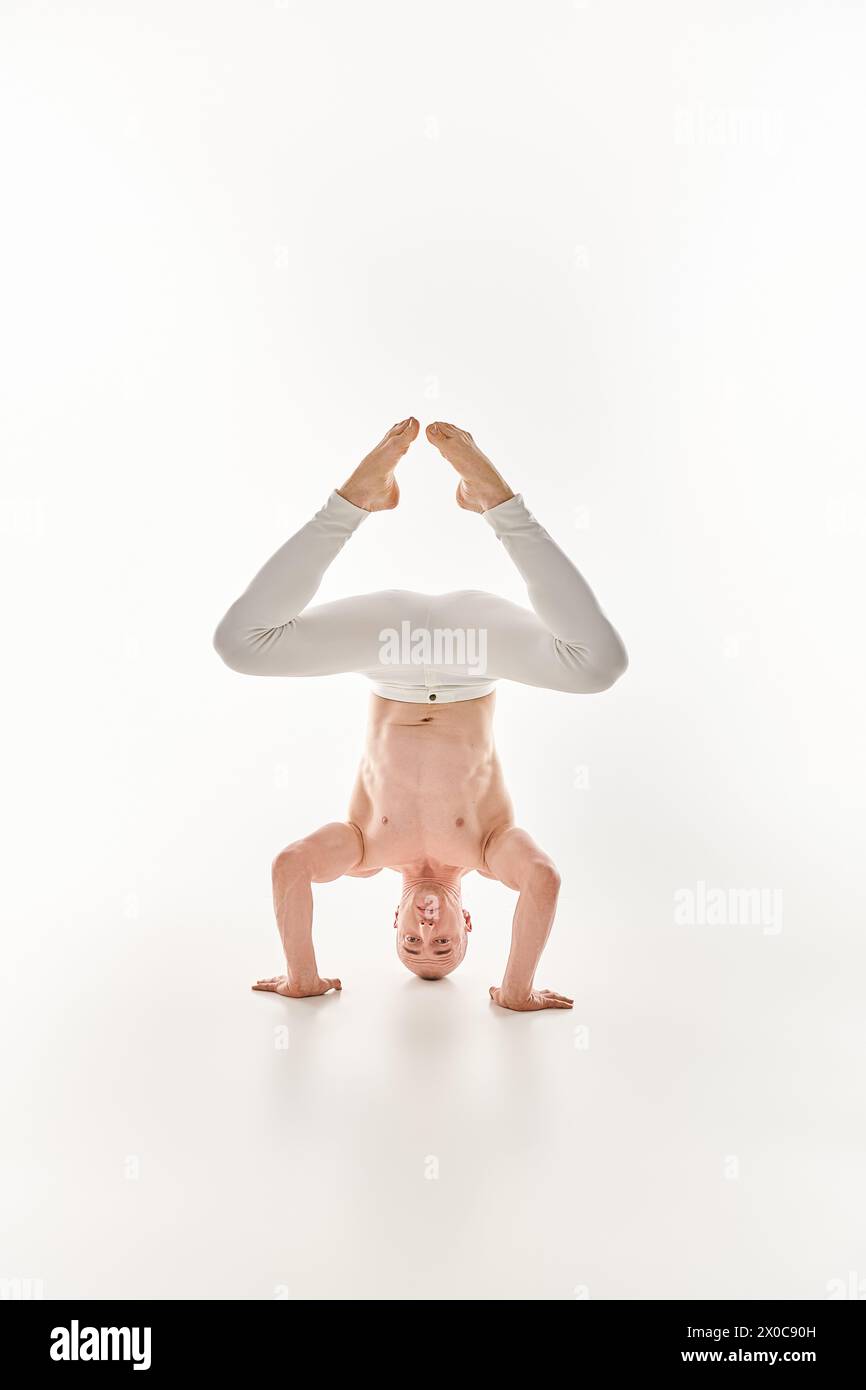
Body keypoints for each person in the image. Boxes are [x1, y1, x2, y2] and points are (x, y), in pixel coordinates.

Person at [213, 419, 627, 1010]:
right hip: (470, 655)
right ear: (468, 922)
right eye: (443, 943)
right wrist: (515, 990)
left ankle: (358, 501)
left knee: (240, 645)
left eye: (412, 941)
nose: (427, 931)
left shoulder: (360, 851)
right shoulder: (489, 851)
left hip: (391, 653)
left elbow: (289, 867)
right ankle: (497, 504)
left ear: (394, 920)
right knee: (599, 666)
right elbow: (543, 881)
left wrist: (301, 975)